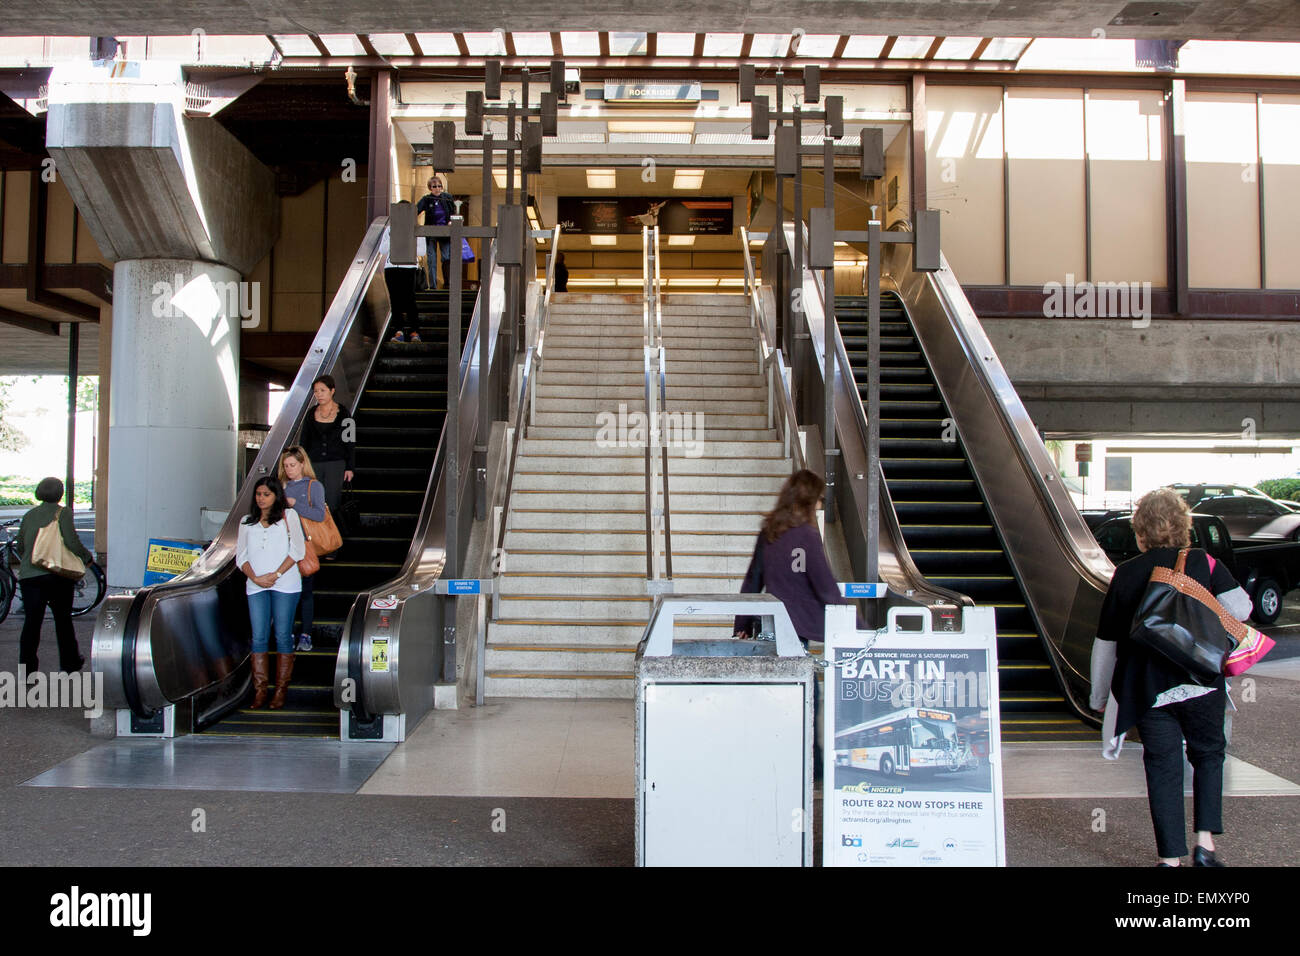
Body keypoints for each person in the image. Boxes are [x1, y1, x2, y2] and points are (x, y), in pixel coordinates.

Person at [1091, 488, 1252, 867]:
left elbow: (1107, 642)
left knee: (1162, 765)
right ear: (1183, 526)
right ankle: (1206, 846)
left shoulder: (1126, 574)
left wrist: (1099, 697)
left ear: (1140, 530)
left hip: (1148, 690)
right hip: (1200, 679)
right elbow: (1242, 609)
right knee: (1208, 755)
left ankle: (1169, 860)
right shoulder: (1205, 564)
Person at [733, 469, 852, 643]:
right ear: (809, 502)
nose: (820, 504)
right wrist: (856, 625)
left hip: (767, 622)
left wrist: (742, 624)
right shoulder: (807, 536)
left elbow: (752, 581)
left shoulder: (768, 532)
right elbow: (826, 588)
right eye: (819, 499)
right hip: (797, 626)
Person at [236, 477, 306, 709]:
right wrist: (255, 577)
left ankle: (280, 692)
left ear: (276, 495)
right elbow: (241, 557)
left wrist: (275, 575)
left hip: (285, 583)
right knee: (259, 637)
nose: (261, 498)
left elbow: (298, 550)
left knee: (283, 636)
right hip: (256, 585)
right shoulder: (247, 521)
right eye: (258, 494)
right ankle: (260, 692)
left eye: (266, 494)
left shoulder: (289, 516)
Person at [13, 477, 94, 675]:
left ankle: (27, 671)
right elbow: (71, 541)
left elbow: (21, 545)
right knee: (62, 620)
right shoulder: (63, 512)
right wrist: (86, 557)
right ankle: (69, 664)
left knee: (32, 623)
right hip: (57, 576)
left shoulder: (30, 514)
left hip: (30, 576)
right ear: (60, 493)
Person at [279, 446, 326, 653]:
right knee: (286, 591)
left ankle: (305, 634)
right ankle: (286, 632)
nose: (289, 469)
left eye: (292, 465)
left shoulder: (313, 486)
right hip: (283, 544)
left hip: (306, 544)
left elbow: (319, 515)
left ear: (302, 464)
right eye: (286, 466)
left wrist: (294, 504)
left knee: (306, 590)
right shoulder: (281, 486)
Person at [296, 374, 355, 516]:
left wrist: (350, 467)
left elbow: (350, 441)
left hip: (336, 464)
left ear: (332, 391)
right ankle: (317, 534)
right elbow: (303, 441)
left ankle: (331, 534)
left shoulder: (344, 413)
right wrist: (301, 464)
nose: (319, 394)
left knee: (332, 501)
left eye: (323, 390)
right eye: (316, 391)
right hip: (313, 463)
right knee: (314, 500)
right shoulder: (311, 414)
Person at [380, 208, 425, 343]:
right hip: (391, 267)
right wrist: (395, 236)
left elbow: (422, 251)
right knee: (395, 300)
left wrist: (406, 239)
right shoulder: (390, 229)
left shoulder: (417, 230)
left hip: (409, 267)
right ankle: (398, 331)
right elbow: (382, 249)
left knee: (410, 299)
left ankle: (414, 331)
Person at [416, 174, 455, 290]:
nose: (437, 189)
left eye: (439, 186)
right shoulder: (426, 199)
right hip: (431, 232)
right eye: (434, 186)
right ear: (430, 188)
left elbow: (454, 211)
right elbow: (416, 210)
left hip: (445, 232)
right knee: (432, 259)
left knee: (447, 257)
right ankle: (433, 286)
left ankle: (448, 284)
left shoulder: (447, 197)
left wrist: (451, 221)